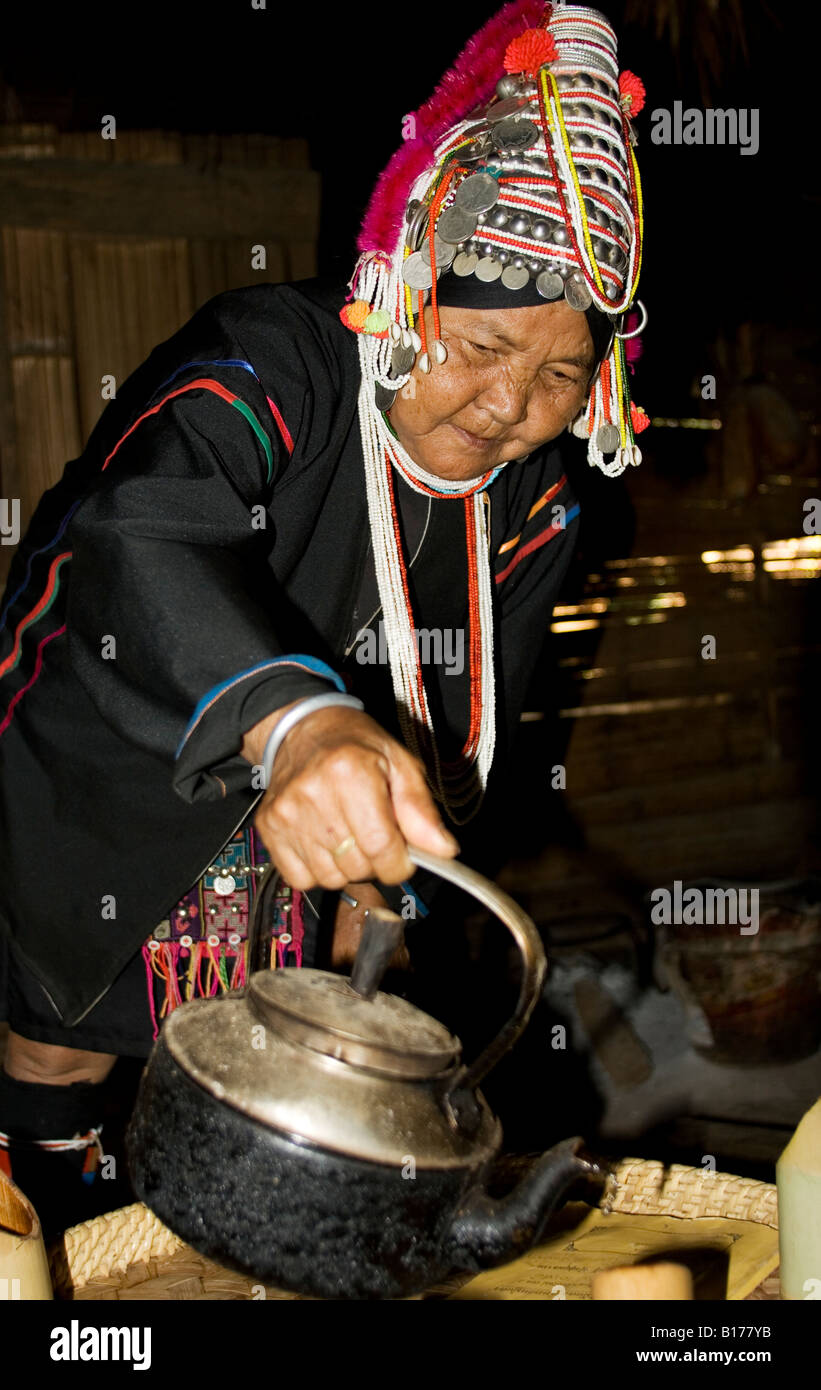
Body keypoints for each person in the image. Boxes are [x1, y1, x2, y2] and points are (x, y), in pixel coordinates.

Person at [0, 0, 647, 1236]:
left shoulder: (533, 503)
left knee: (266, 1043)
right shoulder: (272, 357)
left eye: (562, 374)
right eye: (481, 342)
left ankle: (199, 1243)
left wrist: (396, 882)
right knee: (66, 1039)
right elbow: (140, 530)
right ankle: (62, 1266)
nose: (504, 404)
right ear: (406, 290)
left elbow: (465, 706)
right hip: (121, 734)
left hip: (306, 796)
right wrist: (294, 725)